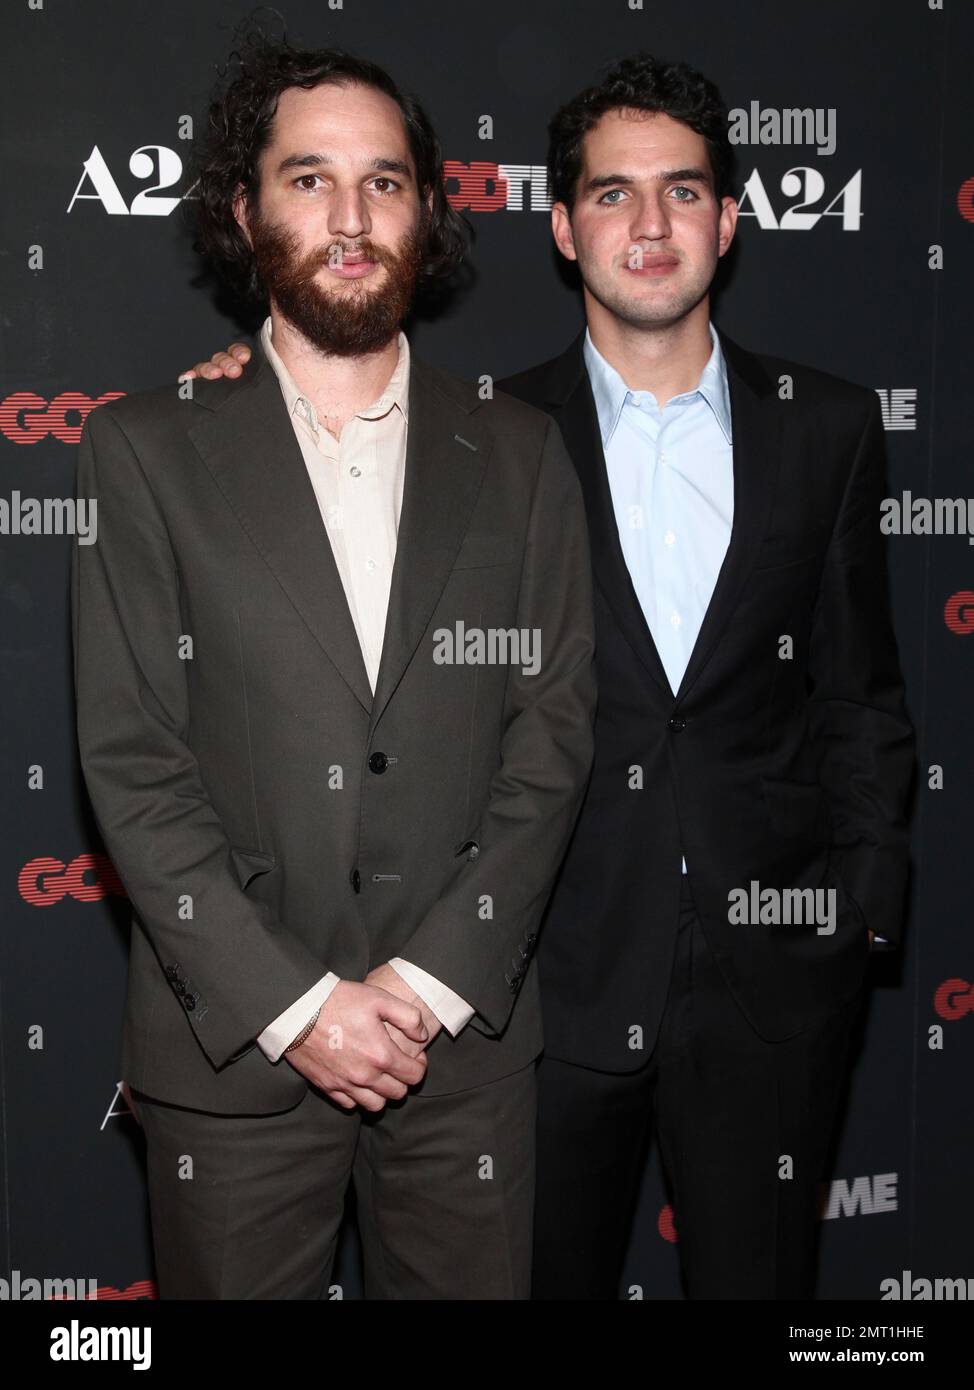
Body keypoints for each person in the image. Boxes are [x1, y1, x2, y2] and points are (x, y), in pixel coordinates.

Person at [187, 53, 915, 1300]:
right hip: (543, 980)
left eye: (681, 192)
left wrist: (858, 914)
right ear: (563, 227)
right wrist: (236, 403)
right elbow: (321, 446)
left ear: (729, 222)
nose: (648, 224)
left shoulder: (827, 424)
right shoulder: (481, 437)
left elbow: (861, 695)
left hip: (775, 982)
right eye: (613, 195)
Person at [72, 36, 596, 1300]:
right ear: (243, 210)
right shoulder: (142, 451)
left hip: (459, 1052)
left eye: (384, 180)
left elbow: (554, 737)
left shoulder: (523, 455)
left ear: (427, 209)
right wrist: (300, 1006)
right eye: (308, 180)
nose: (350, 218)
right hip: (233, 1057)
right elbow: (132, 764)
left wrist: (420, 988)